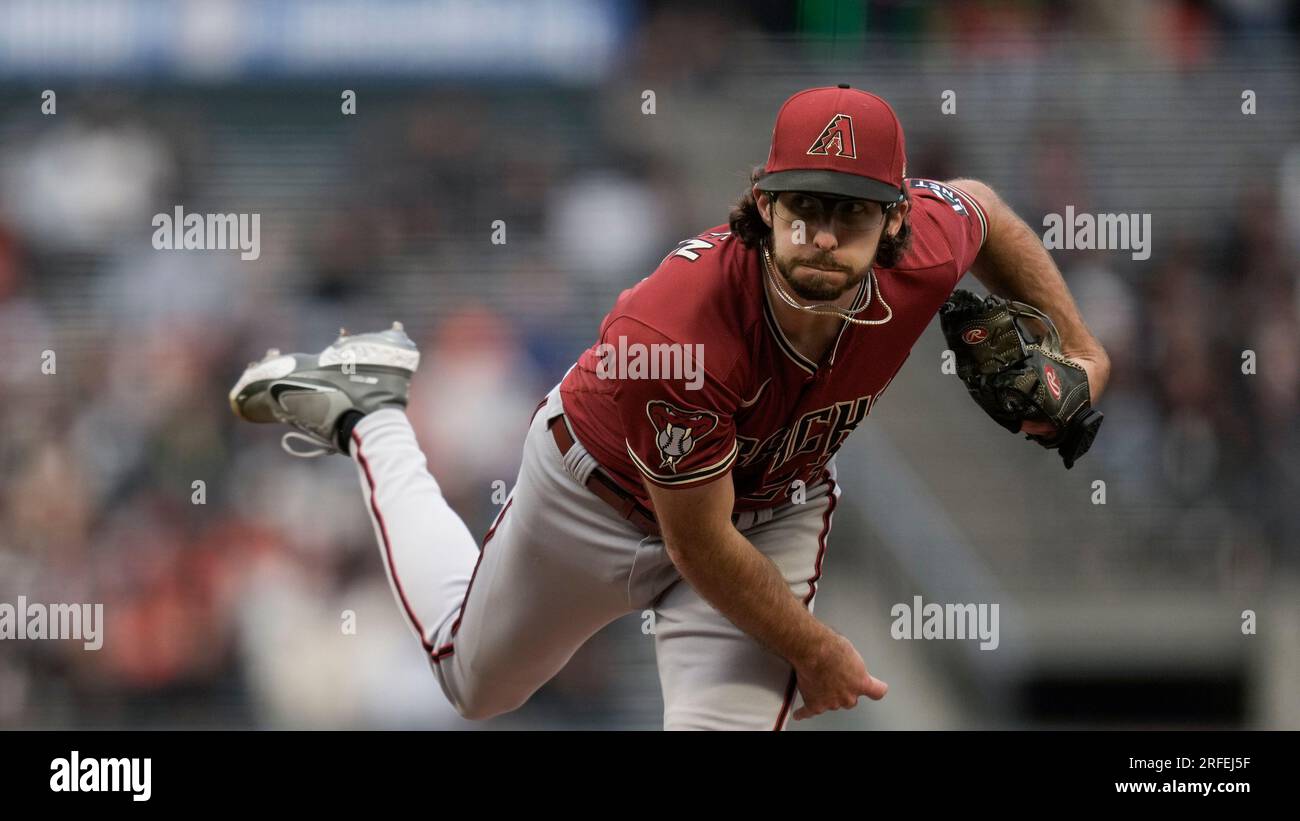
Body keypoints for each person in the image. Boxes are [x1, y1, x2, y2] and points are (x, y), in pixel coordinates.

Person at [229, 85, 1110, 730]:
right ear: (763, 204)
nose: (822, 236)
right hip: (597, 500)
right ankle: (373, 412)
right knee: (474, 684)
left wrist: (1082, 349)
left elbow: (987, 212)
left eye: (852, 213)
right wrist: (816, 645)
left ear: (896, 224)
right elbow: (697, 542)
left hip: (770, 508)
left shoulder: (929, 247)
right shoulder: (678, 329)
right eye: (804, 207)